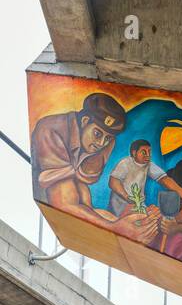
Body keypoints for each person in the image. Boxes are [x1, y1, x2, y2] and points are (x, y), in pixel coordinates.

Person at [31, 92, 160, 245]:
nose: (101, 143)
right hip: (46, 206)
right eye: (97, 134)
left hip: (71, 200)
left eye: (107, 138)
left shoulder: (106, 142)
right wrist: (115, 228)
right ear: (85, 121)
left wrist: (131, 220)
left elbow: (83, 187)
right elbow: (65, 203)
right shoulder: (51, 130)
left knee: (110, 218)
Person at [108, 139, 182, 217]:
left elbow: (164, 179)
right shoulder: (125, 163)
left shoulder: (148, 165)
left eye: (149, 152)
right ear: (134, 153)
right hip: (120, 204)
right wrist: (128, 197)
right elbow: (113, 182)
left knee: (154, 218)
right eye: (144, 152)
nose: (148, 155)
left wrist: (180, 191)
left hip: (138, 204)